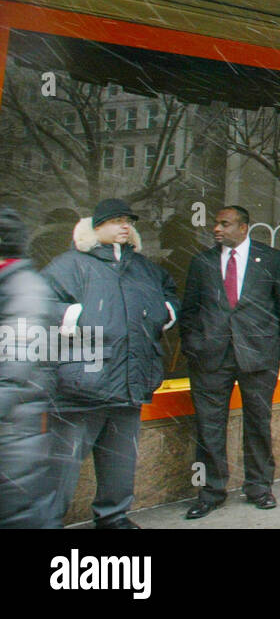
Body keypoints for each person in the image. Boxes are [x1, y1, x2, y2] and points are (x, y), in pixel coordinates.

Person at [42, 198, 178, 529]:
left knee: (120, 461)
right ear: (96, 227)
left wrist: (165, 313)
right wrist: (76, 316)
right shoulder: (68, 265)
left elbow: (171, 295)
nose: (124, 226)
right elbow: (39, 304)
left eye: (128, 221)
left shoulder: (144, 267)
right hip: (81, 384)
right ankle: (44, 522)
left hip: (130, 381)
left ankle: (114, 518)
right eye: (116, 220)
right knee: (62, 466)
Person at [180, 205, 280, 519]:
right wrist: (194, 345)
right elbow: (189, 311)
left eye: (225, 224)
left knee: (258, 422)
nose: (217, 229)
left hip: (258, 353)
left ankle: (260, 488)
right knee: (209, 427)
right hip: (211, 356)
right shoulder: (201, 262)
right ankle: (210, 493)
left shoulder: (271, 259)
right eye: (216, 224)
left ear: (244, 227)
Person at [0, 208, 62, 528]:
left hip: (12, 437)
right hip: (14, 435)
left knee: (22, 514)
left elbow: (12, 371)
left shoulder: (24, 288)